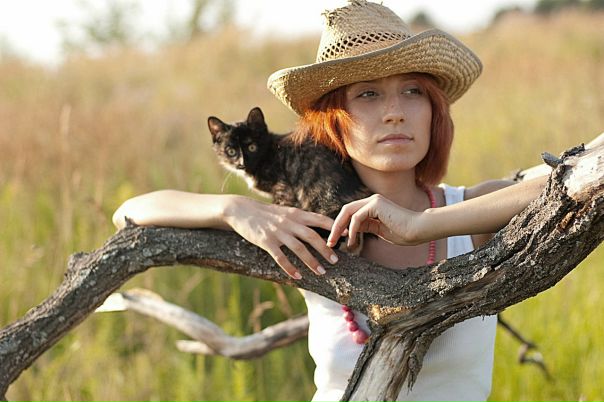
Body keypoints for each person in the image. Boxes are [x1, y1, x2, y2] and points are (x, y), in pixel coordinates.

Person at [113, 1, 546, 400]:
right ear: (332, 120)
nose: (395, 111)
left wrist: (423, 225)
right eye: (368, 93)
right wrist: (235, 208)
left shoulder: (472, 212)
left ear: (435, 110)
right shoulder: (304, 228)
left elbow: (570, 178)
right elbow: (129, 212)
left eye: (413, 91)